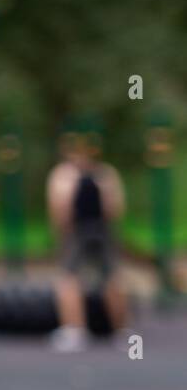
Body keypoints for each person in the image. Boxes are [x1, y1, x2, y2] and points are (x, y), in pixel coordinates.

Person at [46, 126, 128, 352]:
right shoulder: (105, 174)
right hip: (102, 230)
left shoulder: (63, 175)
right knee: (112, 277)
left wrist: (60, 236)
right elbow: (115, 209)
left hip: (76, 232)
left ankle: (75, 330)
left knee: (68, 279)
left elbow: (59, 209)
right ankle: (120, 331)